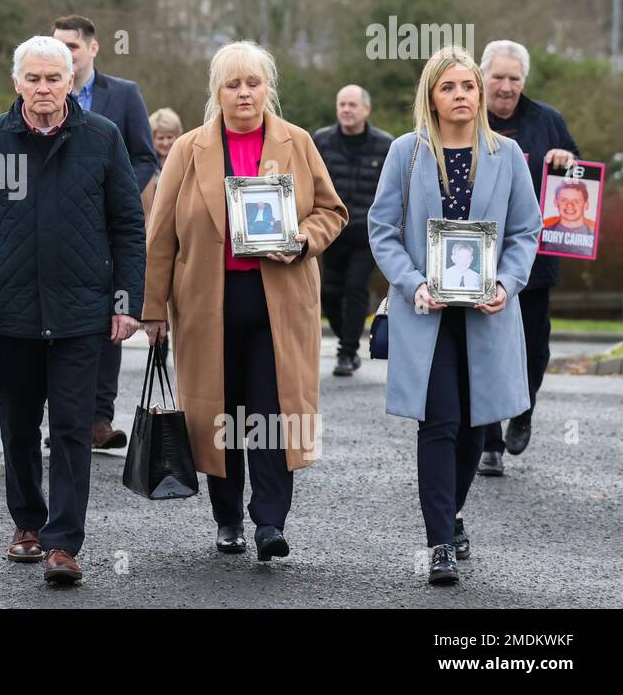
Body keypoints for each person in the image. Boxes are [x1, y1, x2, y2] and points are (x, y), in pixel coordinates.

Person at [0, 36, 146, 586]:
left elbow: (129, 226)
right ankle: (27, 525)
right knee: (15, 425)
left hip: (82, 314)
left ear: (69, 82)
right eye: (32, 79)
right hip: (11, 314)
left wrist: (127, 302)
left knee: (70, 430)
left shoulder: (101, 138)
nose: (42, 89)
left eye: (52, 79)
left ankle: (63, 543)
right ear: (16, 83)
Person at [143, 41, 347, 563]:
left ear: (267, 88)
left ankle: (270, 522)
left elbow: (332, 211)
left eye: (253, 83)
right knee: (221, 415)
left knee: (274, 414)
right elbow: (161, 235)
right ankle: (228, 518)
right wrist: (152, 310)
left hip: (280, 304)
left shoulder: (297, 143)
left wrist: (302, 237)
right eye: (232, 84)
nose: (244, 93)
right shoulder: (189, 151)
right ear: (217, 92)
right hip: (207, 306)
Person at [368, 46, 540, 586]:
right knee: (438, 421)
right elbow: (383, 229)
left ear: (480, 94)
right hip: (427, 313)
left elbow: (525, 232)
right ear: (432, 97)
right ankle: (440, 541)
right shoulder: (407, 153)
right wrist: (413, 283)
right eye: (449, 87)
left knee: (475, 424)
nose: (461, 95)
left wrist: (508, 284)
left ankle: (455, 512)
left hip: (487, 314)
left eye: (468, 86)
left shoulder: (506, 155)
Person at [52, 15, 157, 449]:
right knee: (55, 321)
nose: (65, 54)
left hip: (106, 227)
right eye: (57, 45)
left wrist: (113, 193)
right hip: (55, 228)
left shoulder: (125, 94)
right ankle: (61, 418)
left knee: (109, 319)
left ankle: (99, 417)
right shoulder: (39, 90)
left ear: (93, 49)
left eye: (72, 47)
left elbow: (145, 156)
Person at [476, 40, 581, 474]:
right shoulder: (465, 115)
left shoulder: (547, 120)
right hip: (475, 255)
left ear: (524, 80)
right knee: (482, 350)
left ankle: (523, 409)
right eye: (497, 77)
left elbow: (579, 182)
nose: (505, 87)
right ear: (483, 76)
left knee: (533, 349)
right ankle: (489, 443)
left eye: (513, 78)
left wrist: (567, 161)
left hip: (535, 259)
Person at [313, 85, 394, 376]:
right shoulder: (320, 141)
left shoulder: (385, 145)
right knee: (330, 294)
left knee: (355, 287)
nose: (346, 109)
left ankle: (347, 352)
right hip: (331, 231)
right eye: (342, 104)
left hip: (366, 232)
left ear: (366, 110)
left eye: (352, 105)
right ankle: (346, 338)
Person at [144, 107, 183, 215]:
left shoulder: (185, 162)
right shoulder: (147, 166)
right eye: (160, 138)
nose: (165, 143)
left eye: (169, 137)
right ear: (152, 139)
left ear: (178, 136)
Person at [541, 180, 595, 256]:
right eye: (563, 200)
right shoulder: (543, 231)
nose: (569, 205)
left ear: (586, 205)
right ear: (556, 202)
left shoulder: (594, 234)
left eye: (576, 201)